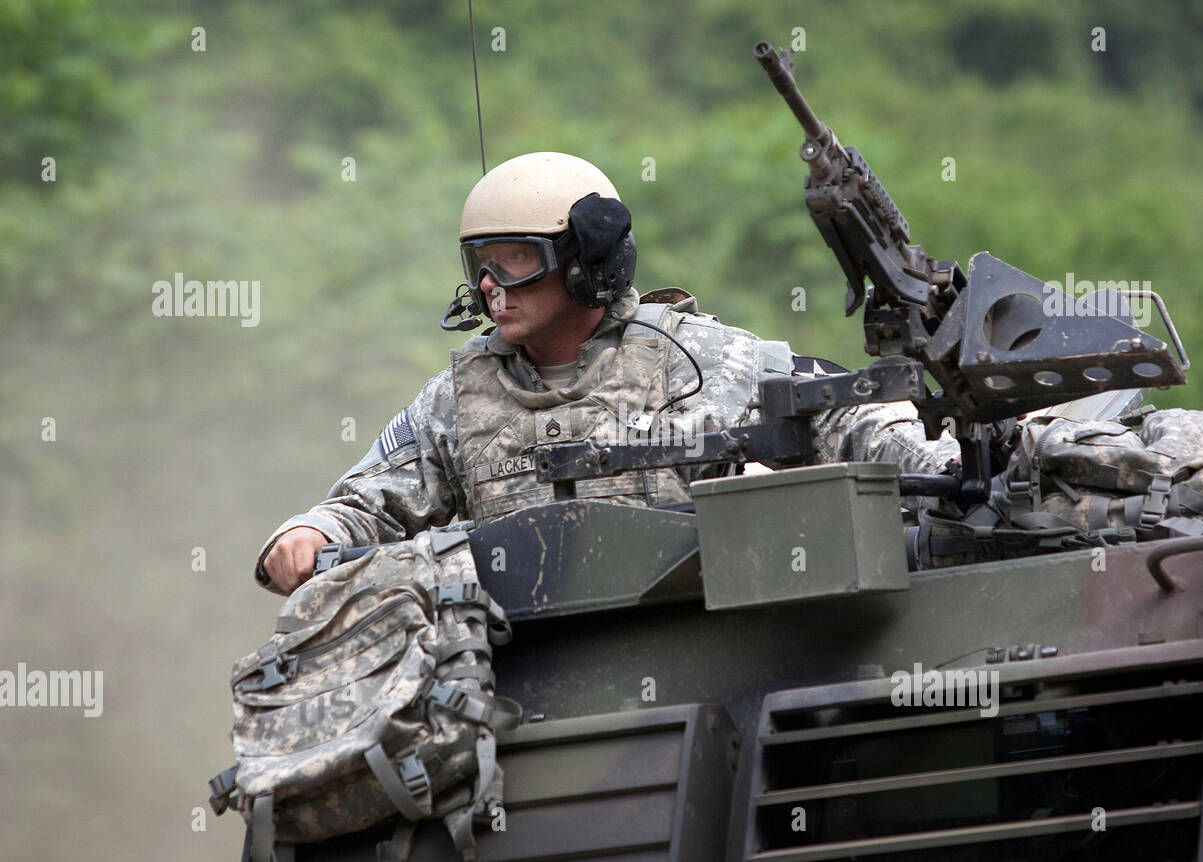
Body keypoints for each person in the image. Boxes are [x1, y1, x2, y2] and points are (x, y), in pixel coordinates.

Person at [256, 152, 958, 595]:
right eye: (481, 265)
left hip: (711, 648)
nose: (493, 286)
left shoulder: (703, 360)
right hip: (529, 671)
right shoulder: (456, 403)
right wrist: (312, 534)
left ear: (585, 261)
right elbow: (368, 500)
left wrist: (933, 459)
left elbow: (850, 413)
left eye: (517, 260)